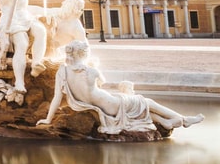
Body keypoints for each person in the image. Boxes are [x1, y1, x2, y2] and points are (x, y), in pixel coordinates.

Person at [39, 40, 204, 134]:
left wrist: (48, 118)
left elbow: (56, 98)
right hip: (112, 105)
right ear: (85, 54)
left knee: (140, 110)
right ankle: (184, 119)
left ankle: (165, 121)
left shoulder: (62, 72)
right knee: (146, 102)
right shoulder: (92, 71)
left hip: (104, 107)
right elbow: (102, 85)